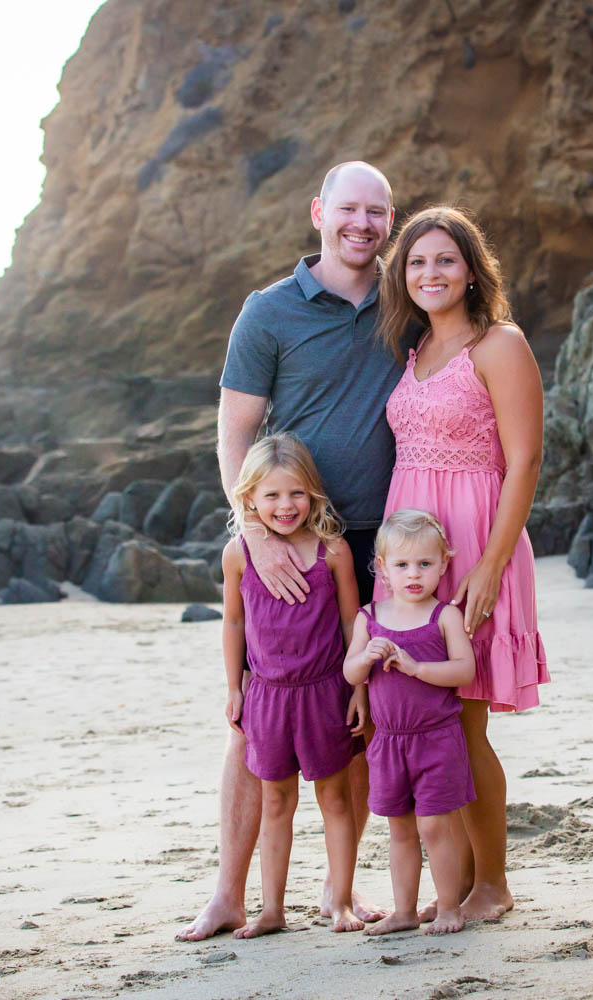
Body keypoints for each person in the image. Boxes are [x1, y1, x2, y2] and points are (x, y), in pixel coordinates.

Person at [178, 161, 402, 941]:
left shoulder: (404, 301)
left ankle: (340, 888)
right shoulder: (267, 311)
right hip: (283, 543)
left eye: (377, 211)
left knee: (365, 711)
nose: (362, 224)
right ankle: (229, 895)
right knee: (255, 720)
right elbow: (235, 430)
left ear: (390, 219)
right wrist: (254, 532)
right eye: (349, 209)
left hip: (377, 540)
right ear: (319, 212)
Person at [374, 205, 549, 922]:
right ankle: (464, 883)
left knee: (467, 723)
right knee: (435, 716)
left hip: (478, 543)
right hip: (415, 550)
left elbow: (526, 460)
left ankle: (494, 886)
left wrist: (488, 565)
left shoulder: (499, 345)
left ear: (472, 270)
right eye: (416, 263)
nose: (430, 273)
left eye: (444, 260)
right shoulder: (414, 350)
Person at [220, 434, 368, 936]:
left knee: (336, 800)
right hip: (266, 697)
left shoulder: (334, 552)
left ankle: (341, 901)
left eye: (297, 494)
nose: (286, 506)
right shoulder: (239, 555)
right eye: (273, 495)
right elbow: (234, 624)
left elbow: (354, 626)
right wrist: (235, 686)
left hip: (325, 694)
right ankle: (271, 910)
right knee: (276, 802)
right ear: (250, 499)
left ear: (314, 495)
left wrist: (359, 690)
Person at [344, 510, 476, 936]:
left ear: (443, 564)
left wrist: (417, 668)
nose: (413, 574)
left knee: (435, 825)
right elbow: (350, 673)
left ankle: (450, 907)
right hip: (388, 742)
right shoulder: (369, 617)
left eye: (425, 564)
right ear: (382, 568)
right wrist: (364, 659)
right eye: (401, 565)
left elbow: (463, 672)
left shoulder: (445, 616)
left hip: (437, 739)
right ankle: (403, 911)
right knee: (399, 829)